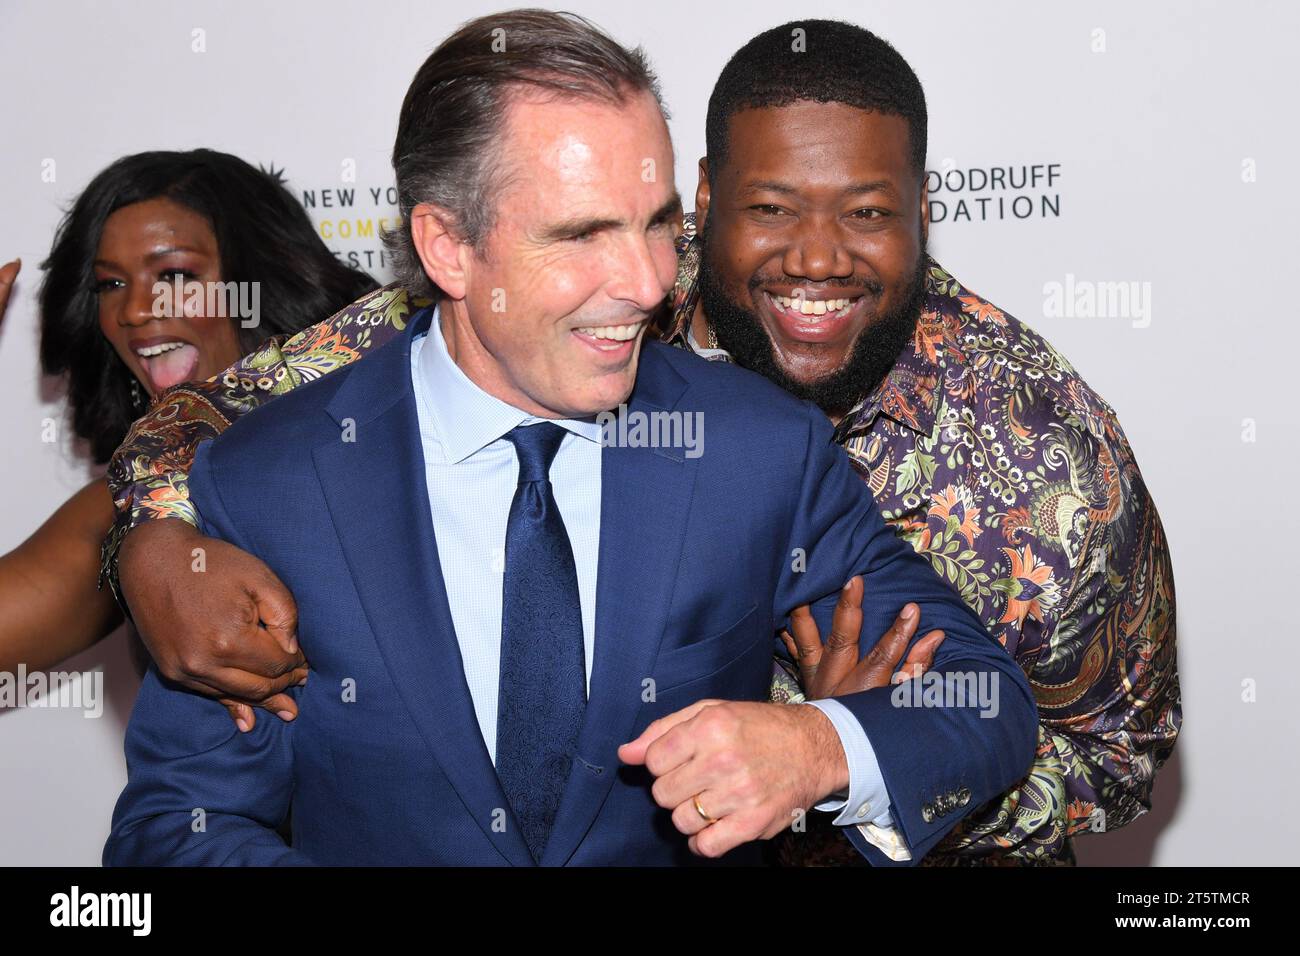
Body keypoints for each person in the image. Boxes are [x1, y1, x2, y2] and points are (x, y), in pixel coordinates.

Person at [103, 9, 1036, 866]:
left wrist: (814, 745)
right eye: (584, 234)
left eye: (660, 225)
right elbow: (177, 831)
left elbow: (983, 700)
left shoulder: (756, 450)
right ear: (446, 248)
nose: (646, 282)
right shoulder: (270, 485)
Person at [669, 20, 1179, 865]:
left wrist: (865, 760)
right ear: (706, 194)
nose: (817, 258)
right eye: (770, 208)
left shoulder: (1051, 455)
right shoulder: (600, 324)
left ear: (924, 208)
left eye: (866, 212)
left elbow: (1118, 757)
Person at [0, 150, 377, 691]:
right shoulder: (126, 505)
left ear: (258, 281)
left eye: (174, 274)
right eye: (110, 284)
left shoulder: (377, 426)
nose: (133, 310)